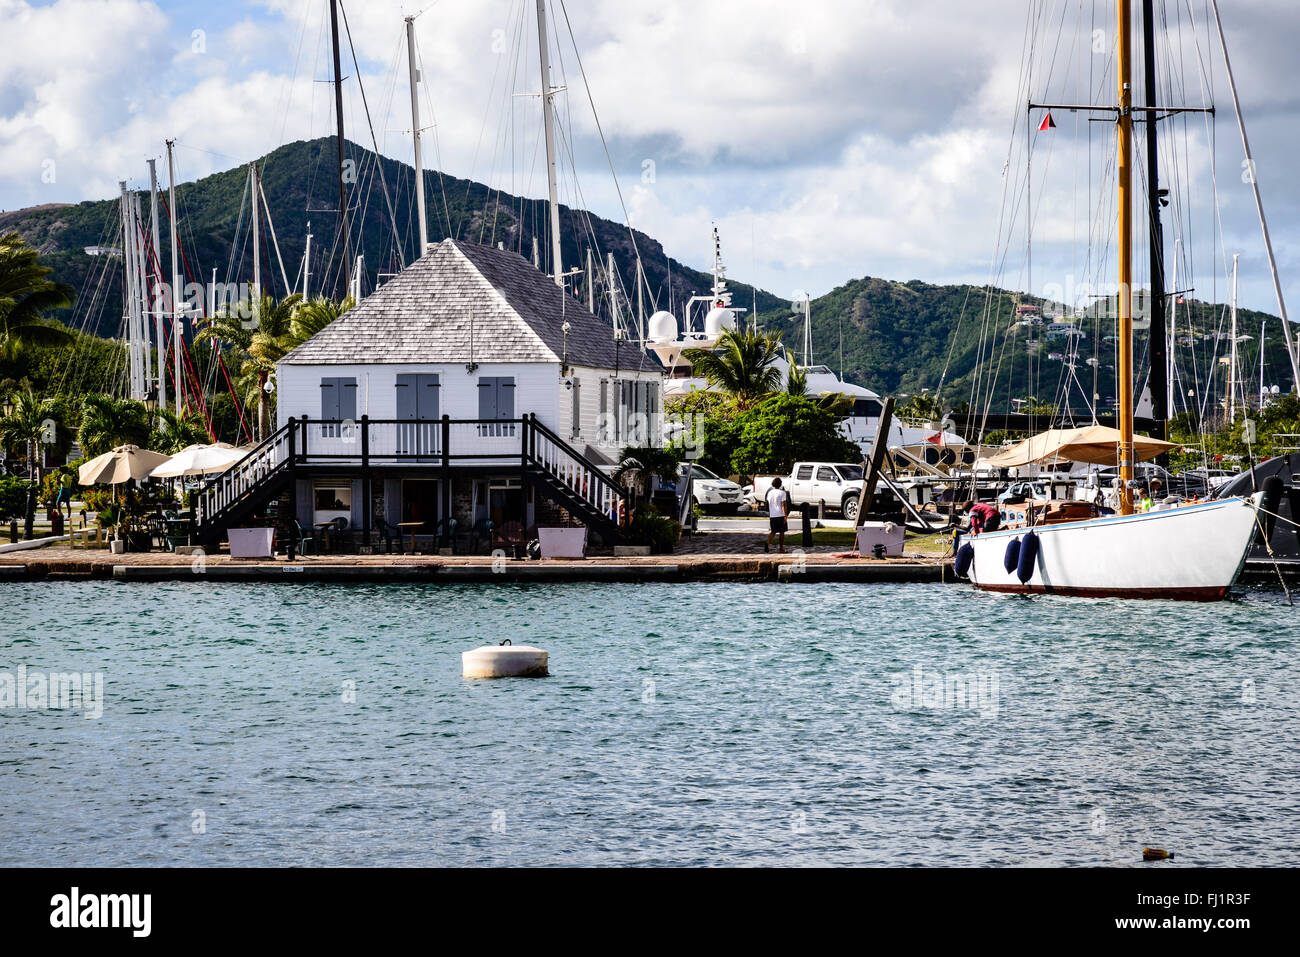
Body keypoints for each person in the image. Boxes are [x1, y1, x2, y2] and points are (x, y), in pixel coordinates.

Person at [765, 477, 790, 553]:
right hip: (780, 515)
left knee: (773, 531)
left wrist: (770, 513)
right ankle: (781, 548)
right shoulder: (782, 493)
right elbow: (783, 505)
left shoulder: (770, 493)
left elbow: (768, 504)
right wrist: (785, 516)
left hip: (772, 515)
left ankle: (767, 543)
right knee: (782, 532)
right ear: (780, 484)